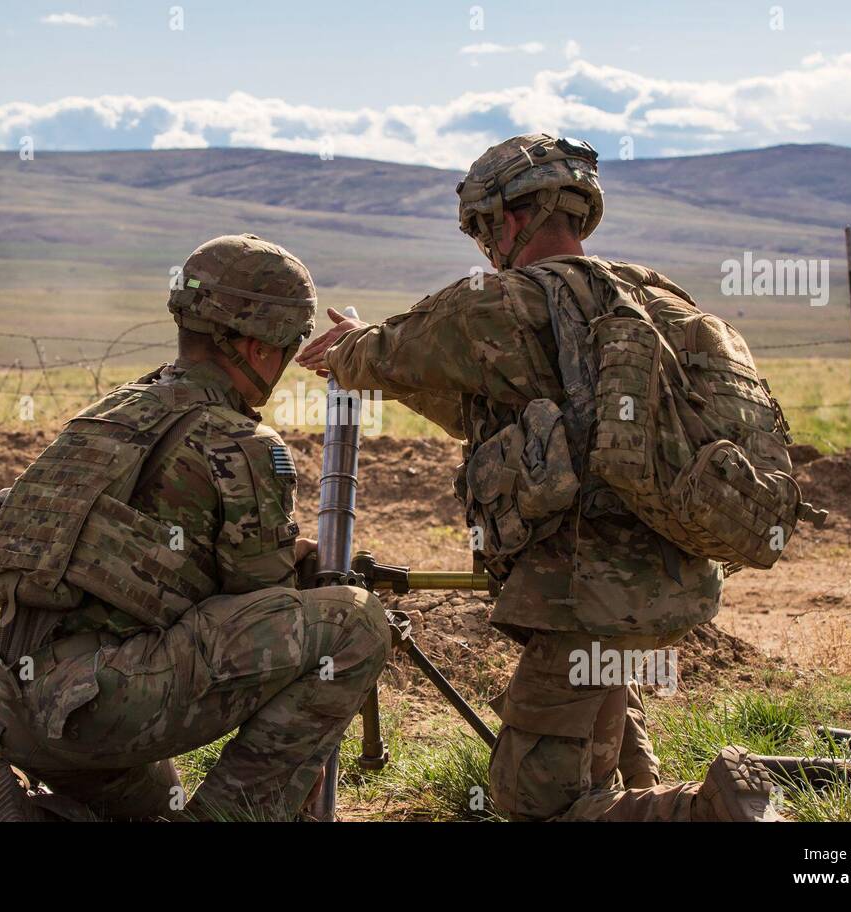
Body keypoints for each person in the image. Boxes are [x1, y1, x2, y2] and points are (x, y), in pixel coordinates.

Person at [298, 134, 783, 821]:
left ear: (507, 219)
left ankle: (713, 813)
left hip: (580, 594)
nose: (482, 246)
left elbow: (390, 355)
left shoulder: (503, 304)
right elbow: (485, 404)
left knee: (537, 803)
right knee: (600, 737)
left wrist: (347, 346)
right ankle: (657, 802)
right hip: (671, 582)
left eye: (481, 228)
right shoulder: (655, 299)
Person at [0, 234, 390, 821]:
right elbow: (258, 604)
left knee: (158, 802)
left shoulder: (113, 412)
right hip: (98, 710)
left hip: (18, 708)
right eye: (288, 348)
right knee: (352, 622)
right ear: (259, 346)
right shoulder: (239, 442)